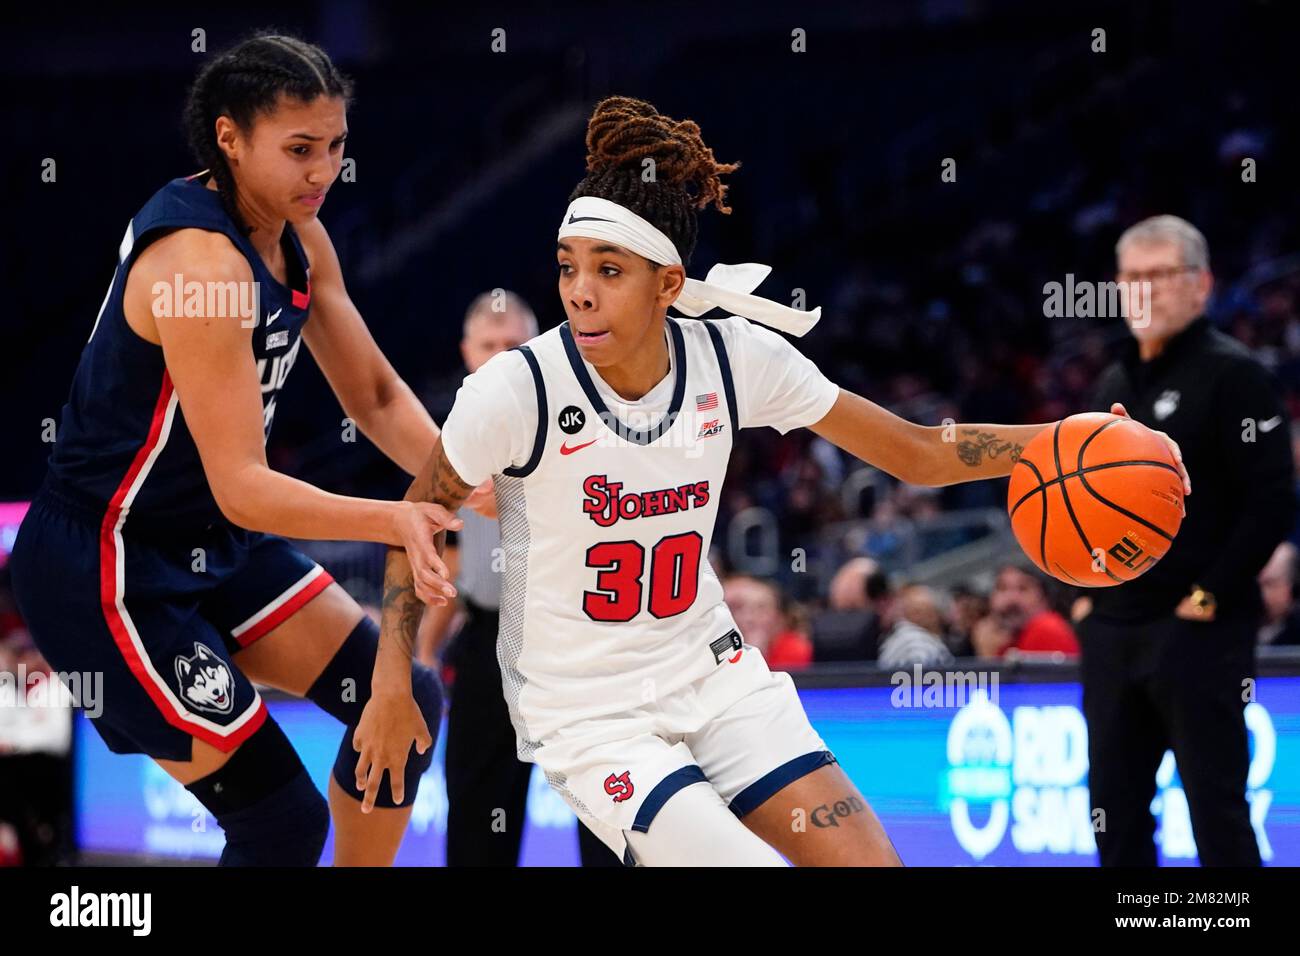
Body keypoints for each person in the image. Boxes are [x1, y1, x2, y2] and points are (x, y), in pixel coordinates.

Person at [353, 96, 1188, 867]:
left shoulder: (734, 359)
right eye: (569, 266)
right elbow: (418, 512)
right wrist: (394, 683)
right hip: (590, 713)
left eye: (609, 270)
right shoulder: (516, 388)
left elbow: (914, 449)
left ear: (668, 283)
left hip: (714, 676)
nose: (578, 292)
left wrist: (1072, 439)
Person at [8, 33, 471, 867]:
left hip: (208, 543)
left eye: (335, 147)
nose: (322, 171)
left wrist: (479, 483)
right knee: (281, 823)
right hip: (105, 569)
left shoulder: (302, 238)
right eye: (299, 150)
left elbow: (373, 398)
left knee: (405, 702)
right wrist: (400, 517)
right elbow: (241, 486)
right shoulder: (197, 260)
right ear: (229, 138)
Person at [1079, 214, 1296, 866]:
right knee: (1113, 818)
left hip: (1199, 630)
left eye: (1160, 276)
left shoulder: (1236, 375)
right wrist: (1081, 599)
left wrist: (1208, 596)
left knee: (1217, 813)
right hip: (1114, 631)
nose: (1143, 292)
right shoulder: (1112, 384)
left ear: (1201, 285)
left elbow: (1272, 502)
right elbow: (1073, 507)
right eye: (1131, 278)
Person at [421, 291, 620, 866]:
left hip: (580, 641)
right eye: (489, 345)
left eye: (514, 345)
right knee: (480, 811)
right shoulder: (450, 436)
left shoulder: (583, 420)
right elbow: (450, 561)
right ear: (467, 351)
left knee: (607, 813)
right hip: (488, 641)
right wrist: (425, 653)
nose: (502, 356)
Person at [971, 563, 1079, 658]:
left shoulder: (1046, 628)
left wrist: (989, 657)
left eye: (1023, 588)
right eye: (1002, 588)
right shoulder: (1008, 640)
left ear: (1044, 599)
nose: (1011, 598)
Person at [722, 574, 812, 670]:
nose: (749, 618)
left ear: (780, 618)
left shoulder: (794, 648)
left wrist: (754, 650)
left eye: (761, 608)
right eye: (739, 608)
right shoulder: (719, 646)